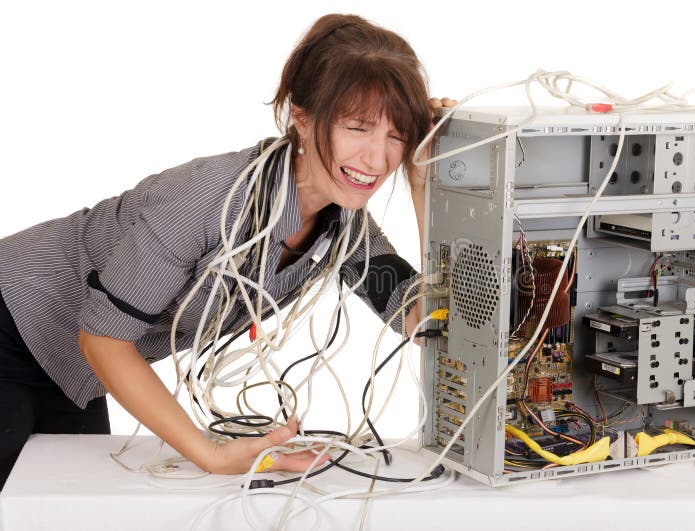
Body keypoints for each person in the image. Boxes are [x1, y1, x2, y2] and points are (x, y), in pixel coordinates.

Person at [0, 13, 454, 488]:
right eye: (358, 128)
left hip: (70, 366)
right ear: (302, 118)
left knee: (65, 507)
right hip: (14, 321)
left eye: (397, 134)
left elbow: (426, 322)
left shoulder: (345, 226)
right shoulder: (205, 197)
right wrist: (213, 454)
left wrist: (426, 184)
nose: (378, 158)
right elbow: (104, 341)